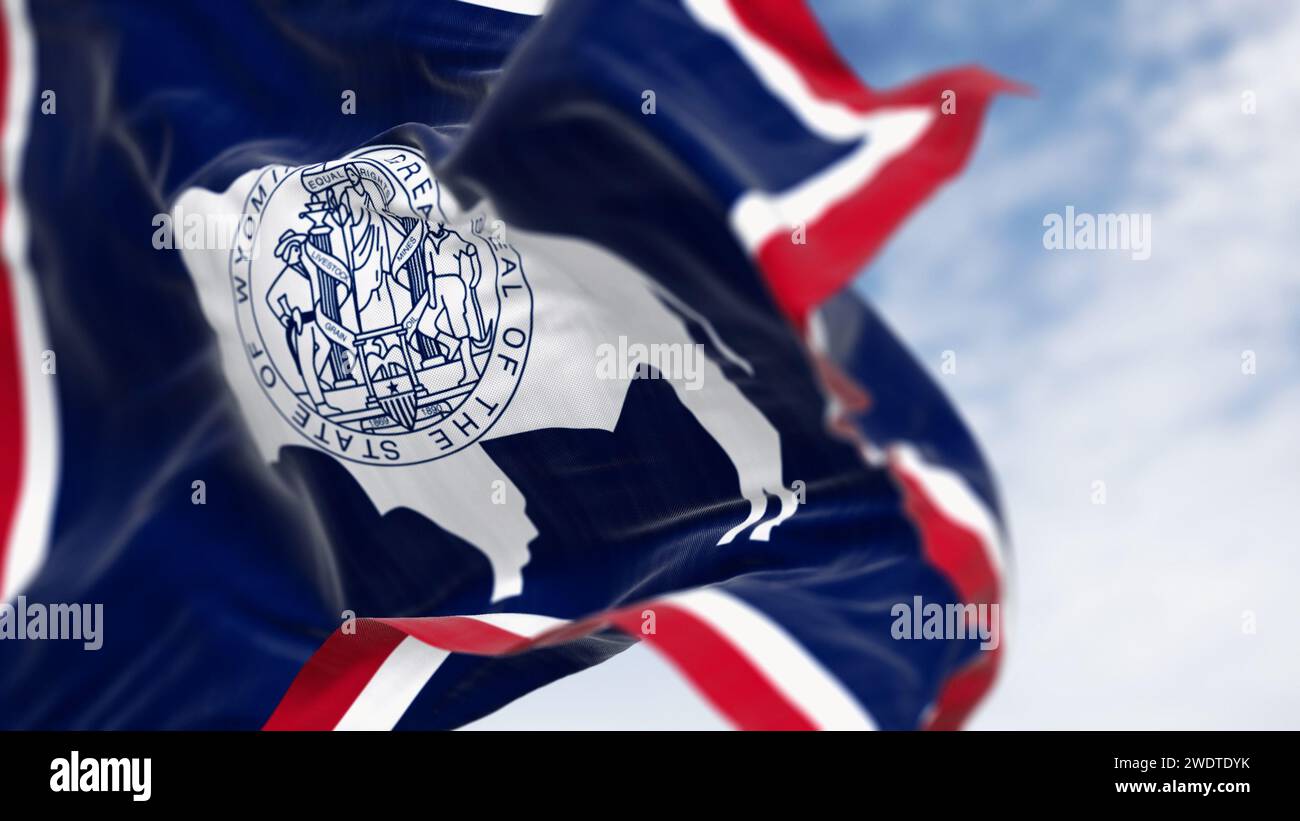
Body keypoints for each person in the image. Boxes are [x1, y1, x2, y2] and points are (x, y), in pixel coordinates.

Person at [266, 230, 342, 415]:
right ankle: (320, 403)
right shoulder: (286, 275)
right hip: (301, 324)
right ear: (289, 252)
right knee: (307, 363)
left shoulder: (306, 269)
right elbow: (272, 298)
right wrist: (286, 318)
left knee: (325, 347)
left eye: (299, 248)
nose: (300, 251)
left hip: (315, 319)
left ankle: (316, 380)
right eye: (296, 249)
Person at [415, 222, 486, 385]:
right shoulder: (427, 242)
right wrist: (432, 296)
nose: (429, 226)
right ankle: (451, 343)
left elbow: (470, 249)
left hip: (454, 283)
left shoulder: (453, 236)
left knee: (460, 328)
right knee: (424, 326)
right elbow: (429, 272)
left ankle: (470, 370)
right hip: (437, 286)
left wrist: (473, 279)